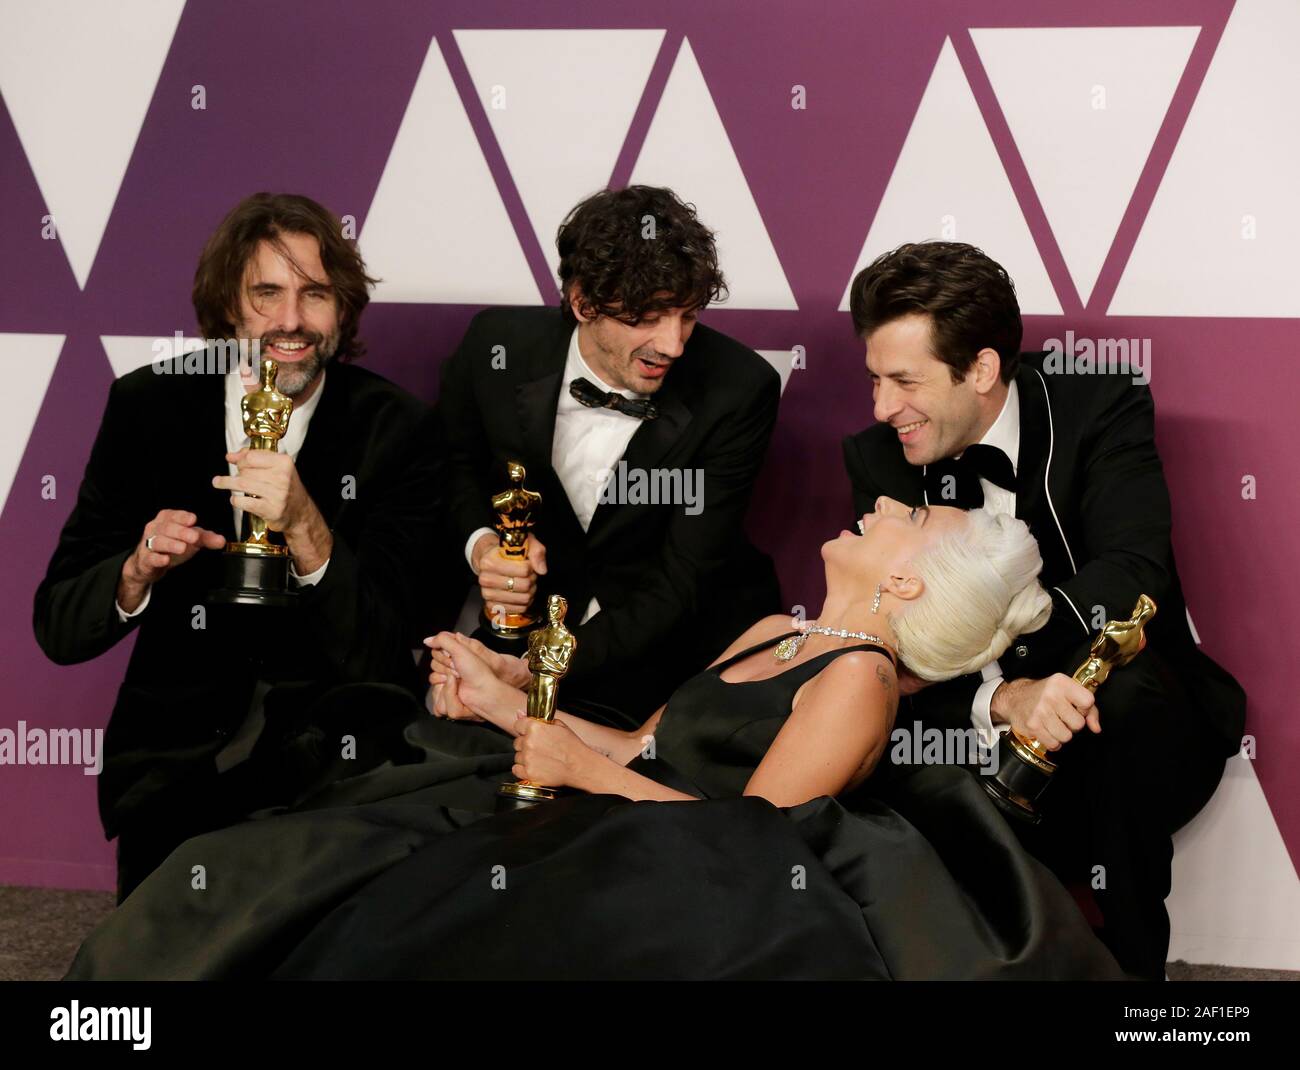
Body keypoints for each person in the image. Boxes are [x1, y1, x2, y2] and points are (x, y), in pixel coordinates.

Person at [65, 501, 1123, 980]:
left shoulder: (856, 682)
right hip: (592, 812)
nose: (884, 499)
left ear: (900, 582)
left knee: (402, 928)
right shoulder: (778, 630)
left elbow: (754, 841)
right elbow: (640, 745)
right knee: (276, 862)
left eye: (909, 518)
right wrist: (505, 701)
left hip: (663, 872)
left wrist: (570, 764)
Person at [840, 241, 1246, 979]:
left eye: (903, 381)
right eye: (873, 380)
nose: (880, 407)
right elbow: (889, 635)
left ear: (984, 369)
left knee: (1118, 697)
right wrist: (1003, 700)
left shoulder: (1100, 406)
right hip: (969, 720)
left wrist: (1045, 685)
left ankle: (1134, 984)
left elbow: (1132, 576)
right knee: (870, 705)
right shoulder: (877, 455)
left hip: (1125, 723)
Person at [33, 193, 448, 902]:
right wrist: (134, 573)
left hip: (338, 774)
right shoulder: (149, 406)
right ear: (231, 304)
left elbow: (384, 652)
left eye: (315, 294)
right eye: (267, 293)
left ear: (342, 308)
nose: (291, 321)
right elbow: (59, 626)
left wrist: (308, 527)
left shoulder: (397, 428)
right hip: (176, 767)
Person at [434, 185, 782, 726]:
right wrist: (484, 546)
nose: (674, 345)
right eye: (648, 317)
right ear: (584, 304)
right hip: (530, 628)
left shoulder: (739, 388)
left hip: (682, 657)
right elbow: (455, 466)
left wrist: (536, 671)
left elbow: (682, 582)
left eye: (687, 316)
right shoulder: (495, 347)